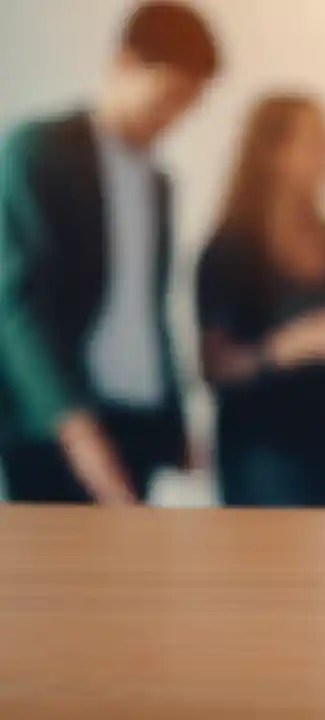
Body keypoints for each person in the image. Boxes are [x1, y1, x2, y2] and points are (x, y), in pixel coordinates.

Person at [0, 2, 218, 504]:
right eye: (168, 97)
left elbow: (149, 308)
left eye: (188, 105)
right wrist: (74, 426)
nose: (173, 118)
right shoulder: (37, 152)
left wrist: (176, 419)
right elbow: (19, 303)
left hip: (139, 419)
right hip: (55, 423)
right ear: (124, 64)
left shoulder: (160, 184)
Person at [197, 95, 325, 508]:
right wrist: (300, 343)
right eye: (314, 142)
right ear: (272, 154)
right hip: (261, 455)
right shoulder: (232, 249)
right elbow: (215, 367)